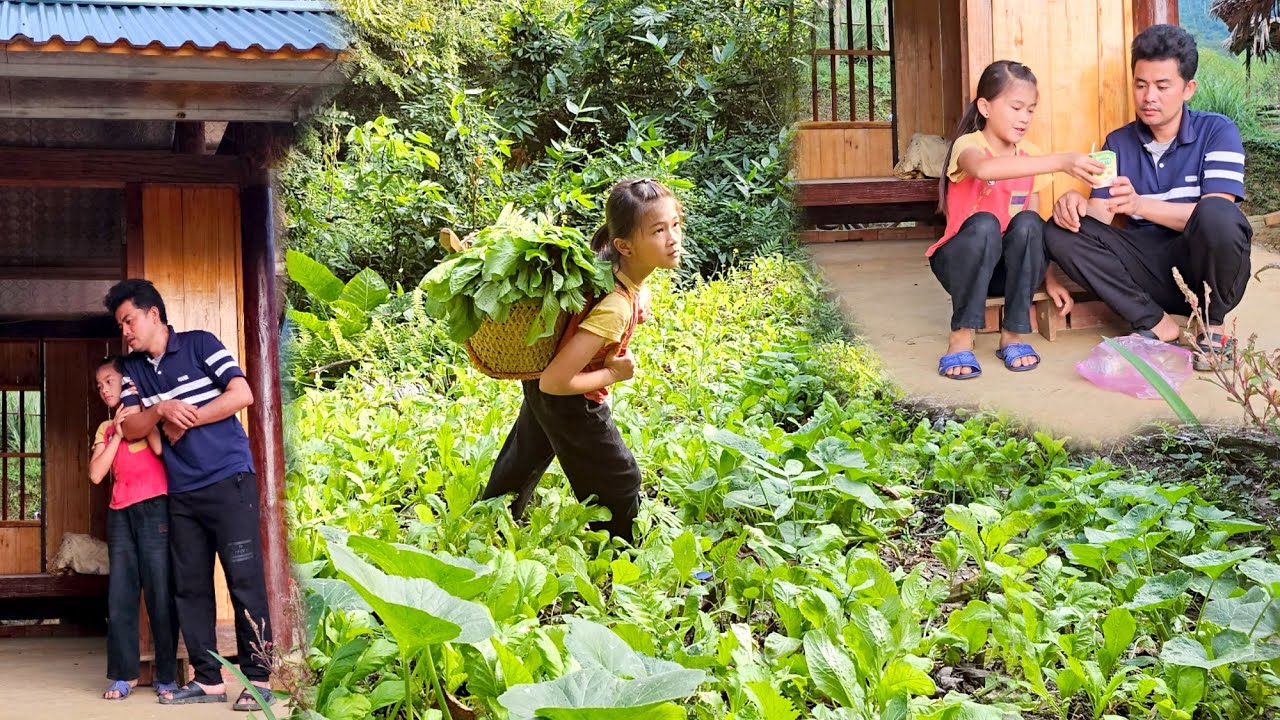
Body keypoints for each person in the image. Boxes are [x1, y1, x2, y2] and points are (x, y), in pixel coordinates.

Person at [481, 178, 683, 544]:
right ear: (624, 245)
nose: (673, 238)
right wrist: (612, 372)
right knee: (620, 478)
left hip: (537, 376)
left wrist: (641, 297)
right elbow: (555, 382)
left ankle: (487, 520)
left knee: (526, 453)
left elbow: (623, 287)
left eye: (675, 224)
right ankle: (622, 553)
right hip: (568, 398)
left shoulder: (608, 267)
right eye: (658, 230)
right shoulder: (616, 307)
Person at [104, 278, 274, 711]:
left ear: (153, 314)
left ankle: (258, 679)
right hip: (181, 492)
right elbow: (129, 427)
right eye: (121, 324)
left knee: (244, 581)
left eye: (129, 321)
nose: (125, 330)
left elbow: (243, 394)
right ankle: (208, 679)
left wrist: (188, 417)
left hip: (229, 480)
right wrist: (160, 411)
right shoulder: (134, 369)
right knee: (191, 587)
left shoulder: (200, 345)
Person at [1045, 24, 1252, 370]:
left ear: (1188, 89)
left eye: (1161, 85)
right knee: (1057, 228)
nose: (1148, 97)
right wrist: (1074, 205)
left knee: (1216, 212)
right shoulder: (1119, 142)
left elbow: (1217, 213)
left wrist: (1141, 205)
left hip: (1205, 270)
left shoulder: (1218, 131)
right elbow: (1100, 215)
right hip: (1148, 267)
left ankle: (1212, 327)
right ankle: (1157, 323)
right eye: (1140, 85)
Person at [931, 60, 1102, 379]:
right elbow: (984, 170)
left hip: (1004, 271)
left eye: (1030, 109)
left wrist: (1049, 280)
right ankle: (961, 336)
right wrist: (1061, 161)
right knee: (985, 224)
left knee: (1028, 223)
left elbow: (1033, 231)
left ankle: (1012, 334)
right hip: (961, 264)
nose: (1024, 118)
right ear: (985, 107)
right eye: (1016, 107)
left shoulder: (1031, 155)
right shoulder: (969, 146)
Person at [90, 356, 179, 702]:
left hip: (156, 507)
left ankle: (167, 677)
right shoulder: (104, 428)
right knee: (121, 596)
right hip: (120, 515)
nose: (103, 389)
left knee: (160, 591)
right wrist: (115, 431)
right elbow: (97, 474)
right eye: (99, 386)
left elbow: (158, 448)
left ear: (126, 383)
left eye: (109, 382)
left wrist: (142, 420)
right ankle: (124, 676)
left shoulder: (146, 414)